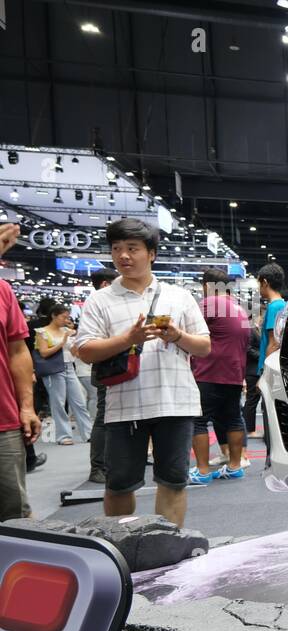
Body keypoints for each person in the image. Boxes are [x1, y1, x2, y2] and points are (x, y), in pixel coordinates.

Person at [74, 219, 211, 528]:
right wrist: (128, 340)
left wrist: (177, 336)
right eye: (116, 249)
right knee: (119, 484)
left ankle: (167, 548)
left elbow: (203, 347)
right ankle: (125, 549)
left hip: (175, 403)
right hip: (123, 407)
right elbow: (85, 349)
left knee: (173, 481)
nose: (123, 256)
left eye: (132, 249)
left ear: (151, 253)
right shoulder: (100, 299)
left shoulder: (179, 297)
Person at [189, 269, 251, 484]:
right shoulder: (241, 307)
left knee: (198, 421)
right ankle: (235, 465)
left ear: (207, 285)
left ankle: (202, 470)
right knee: (232, 418)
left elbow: (188, 331)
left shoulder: (210, 303)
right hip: (235, 372)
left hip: (209, 372)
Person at [0, 224, 42, 518]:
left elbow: (17, 350)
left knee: (14, 512)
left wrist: (26, 406)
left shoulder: (3, 290)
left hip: (4, 421)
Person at [77, 268, 118, 483]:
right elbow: (86, 345)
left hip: (119, 365)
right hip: (108, 367)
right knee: (104, 417)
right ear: (104, 284)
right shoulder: (97, 302)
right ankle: (98, 467)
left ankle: (110, 463)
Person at [33, 304, 93, 445]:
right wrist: (63, 341)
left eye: (68, 317)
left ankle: (88, 433)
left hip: (69, 368)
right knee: (58, 403)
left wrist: (76, 343)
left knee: (79, 402)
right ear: (54, 315)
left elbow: (74, 353)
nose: (66, 320)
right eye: (63, 317)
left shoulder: (67, 330)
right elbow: (43, 353)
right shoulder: (42, 332)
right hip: (54, 370)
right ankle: (63, 436)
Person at [247, 263, 286, 435]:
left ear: (264, 282)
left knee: (269, 415)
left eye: (258, 284)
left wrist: (264, 375)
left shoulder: (275, 306)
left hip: (269, 370)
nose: (258, 288)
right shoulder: (281, 304)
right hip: (273, 368)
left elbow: (274, 342)